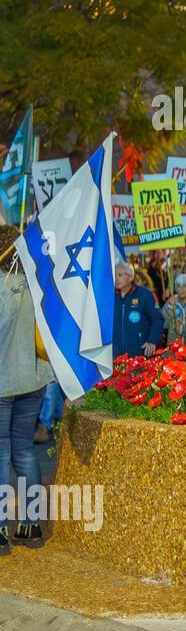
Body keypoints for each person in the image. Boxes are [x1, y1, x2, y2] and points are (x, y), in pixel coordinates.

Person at [1, 224, 55, 552]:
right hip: (33, 381)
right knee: (24, 450)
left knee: (2, 451)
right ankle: (31, 525)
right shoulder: (38, 288)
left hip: (4, 383)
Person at [113, 261, 163, 358]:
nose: (116, 279)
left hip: (139, 353)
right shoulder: (110, 296)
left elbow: (157, 320)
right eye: (114, 275)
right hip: (116, 354)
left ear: (130, 277)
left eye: (120, 275)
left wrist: (152, 340)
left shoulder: (145, 295)